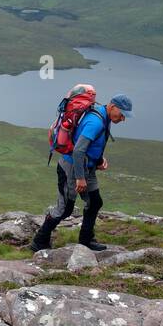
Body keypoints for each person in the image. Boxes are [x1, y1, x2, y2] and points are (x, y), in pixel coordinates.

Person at [30, 87, 134, 253]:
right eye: (121, 114)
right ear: (112, 106)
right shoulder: (96, 121)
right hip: (72, 168)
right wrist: (80, 178)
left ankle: (86, 240)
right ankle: (39, 241)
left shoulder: (103, 115)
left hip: (87, 167)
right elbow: (78, 151)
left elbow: (93, 145)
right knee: (65, 209)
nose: (122, 119)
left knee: (94, 202)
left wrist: (99, 160)